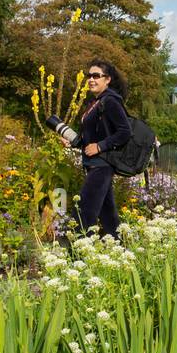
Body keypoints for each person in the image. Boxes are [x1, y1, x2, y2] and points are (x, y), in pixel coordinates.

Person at [63, 60, 131, 239]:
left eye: (96, 76)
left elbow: (125, 132)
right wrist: (74, 142)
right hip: (93, 163)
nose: (91, 79)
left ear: (107, 79)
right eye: (89, 76)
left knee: (84, 211)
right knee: (108, 214)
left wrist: (101, 146)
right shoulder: (95, 102)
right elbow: (92, 137)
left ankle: (75, 253)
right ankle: (120, 247)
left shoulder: (110, 101)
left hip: (103, 164)